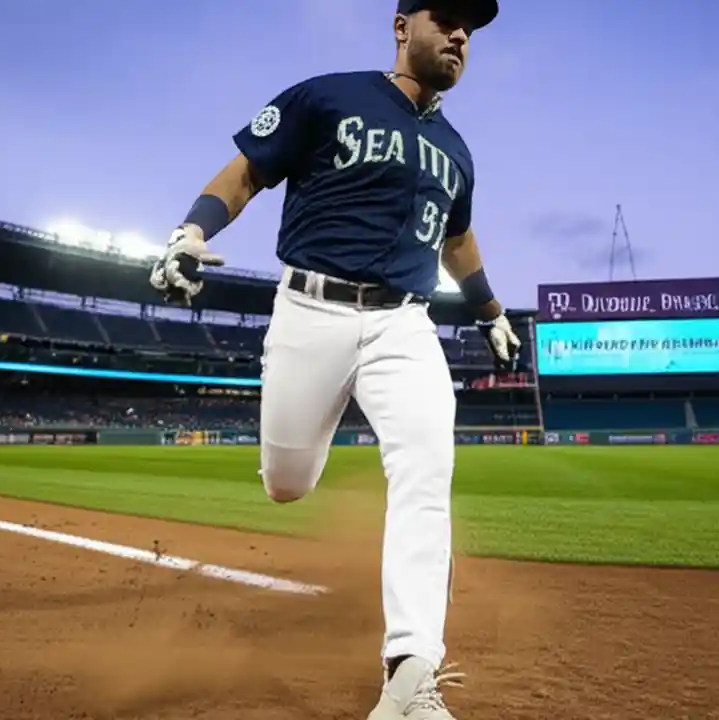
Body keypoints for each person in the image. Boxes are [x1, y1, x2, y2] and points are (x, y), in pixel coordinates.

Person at [148, 1, 516, 717]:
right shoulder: (326, 95)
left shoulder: (458, 151)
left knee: (425, 468)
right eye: (448, 17)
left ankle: (412, 674)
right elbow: (247, 171)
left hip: (404, 326)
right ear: (403, 25)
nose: (463, 34)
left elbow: (457, 240)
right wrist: (191, 230)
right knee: (287, 483)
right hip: (309, 310)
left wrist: (490, 311)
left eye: (473, 26)